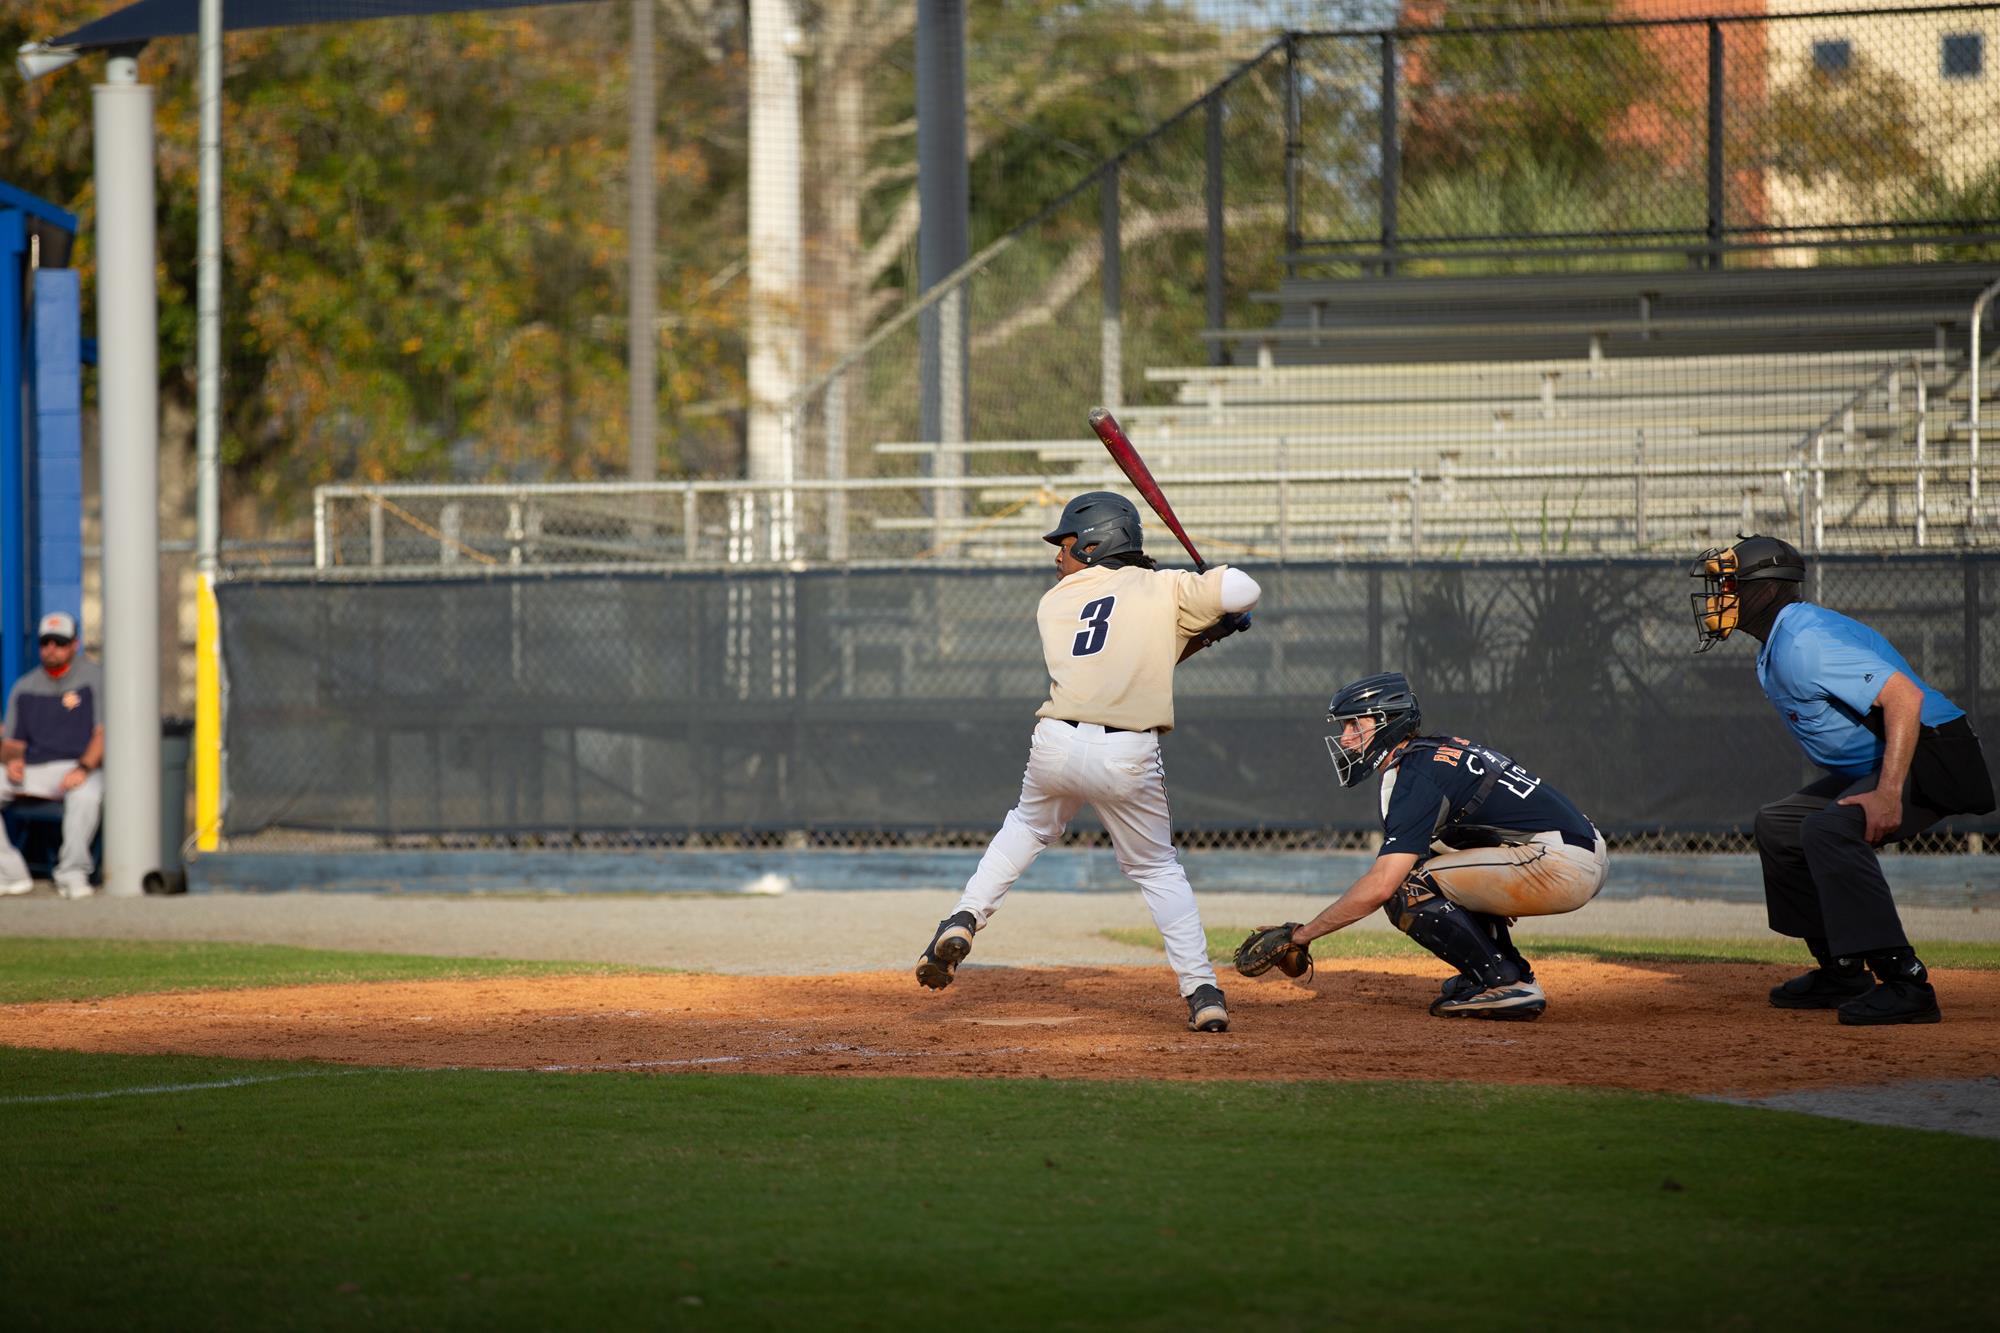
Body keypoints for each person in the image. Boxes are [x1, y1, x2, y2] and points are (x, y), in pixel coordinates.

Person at [913, 491, 1260, 1032]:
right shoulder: (1163, 586)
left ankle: (964, 917)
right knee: (1156, 869)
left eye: (1067, 543)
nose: (1059, 555)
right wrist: (1215, 598)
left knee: (1026, 827)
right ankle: (1203, 992)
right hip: (1126, 753)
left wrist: (1207, 632)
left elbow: (1134, 651)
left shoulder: (1056, 601)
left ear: (1099, 542)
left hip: (1054, 743)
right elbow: (1243, 588)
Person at [1689, 534, 1994, 1025]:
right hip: (1899, 756)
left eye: (1731, 585)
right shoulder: (1780, 642)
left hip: (1935, 754)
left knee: (1827, 829)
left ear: (1765, 590)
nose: (1719, 597)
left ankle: (1905, 980)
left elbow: (1903, 699)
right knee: (1780, 825)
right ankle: (1842, 970)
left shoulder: (1802, 642)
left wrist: (1888, 795)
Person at [1266, 672, 1608, 1021]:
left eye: (1355, 724)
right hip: (1576, 850)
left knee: (1404, 887)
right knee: (1434, 863)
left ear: (1388, 722)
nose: (1346, 737)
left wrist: (1305, 934)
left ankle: (1505, 984)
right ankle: (1508, 973)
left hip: (1559, 862)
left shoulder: (1416, 774)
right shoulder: (1436, 752)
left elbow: (1382, 885)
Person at [1, 612, 106, 899]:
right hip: (36, 769)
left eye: (59, 643)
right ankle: (11, 873)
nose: (52, 649)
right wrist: (12, 761)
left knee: (86, 796)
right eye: (46, 642)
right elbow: (13, 742)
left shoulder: (94, 678)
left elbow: (103, 733)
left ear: (74, 644)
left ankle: (72, 873)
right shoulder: (25, 686)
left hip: (80, 766)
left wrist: (83, 768)